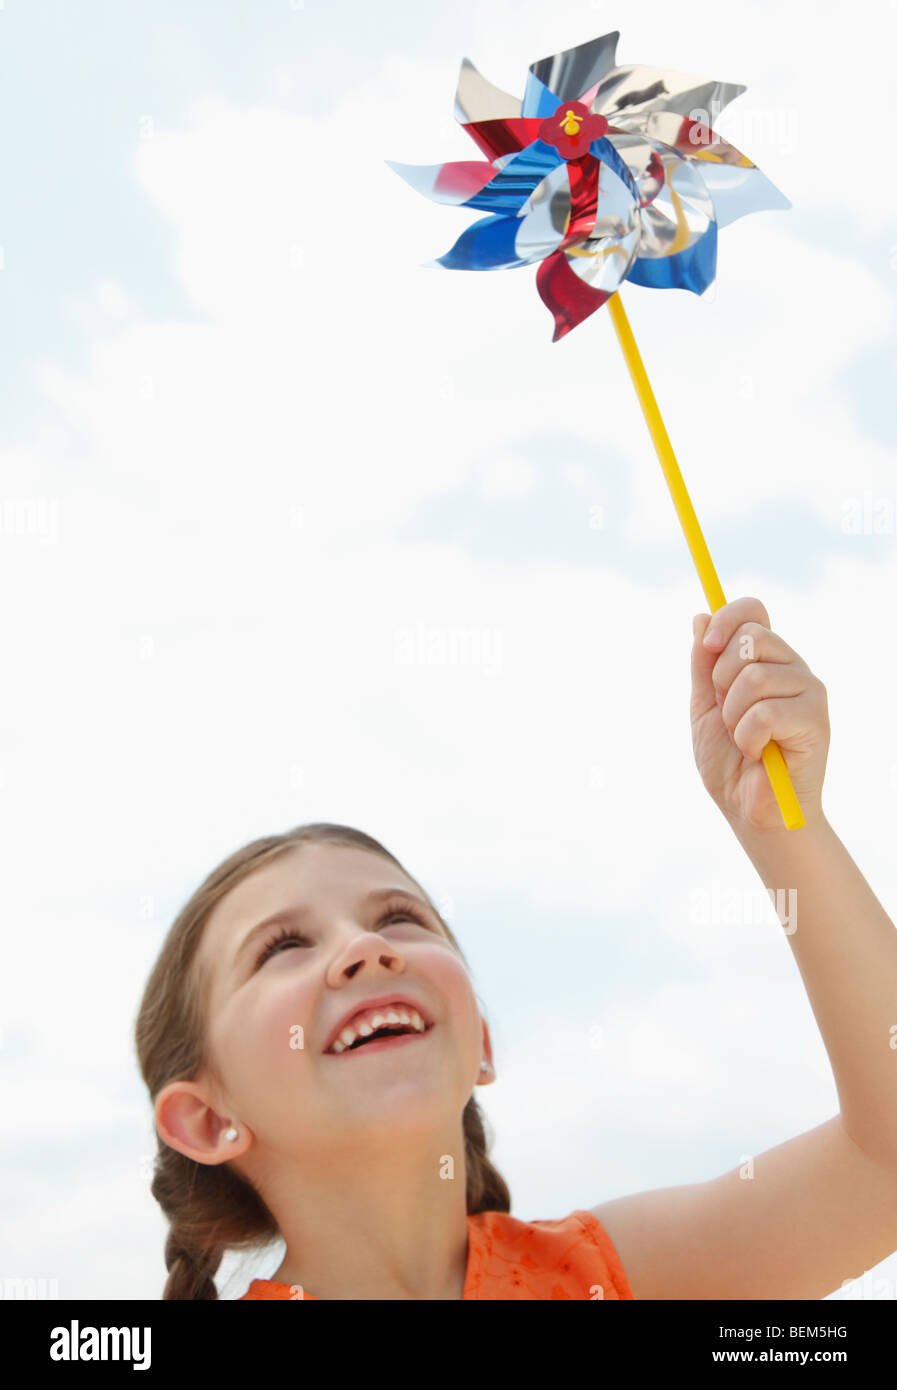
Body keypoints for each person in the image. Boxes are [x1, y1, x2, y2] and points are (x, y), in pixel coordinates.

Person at [134, 596, 897, 1298]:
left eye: (400, 917)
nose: (366, 948)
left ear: (481, 1047)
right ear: (206, 1120)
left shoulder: (614, 1275)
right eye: (283, 947)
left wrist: (780, 827)